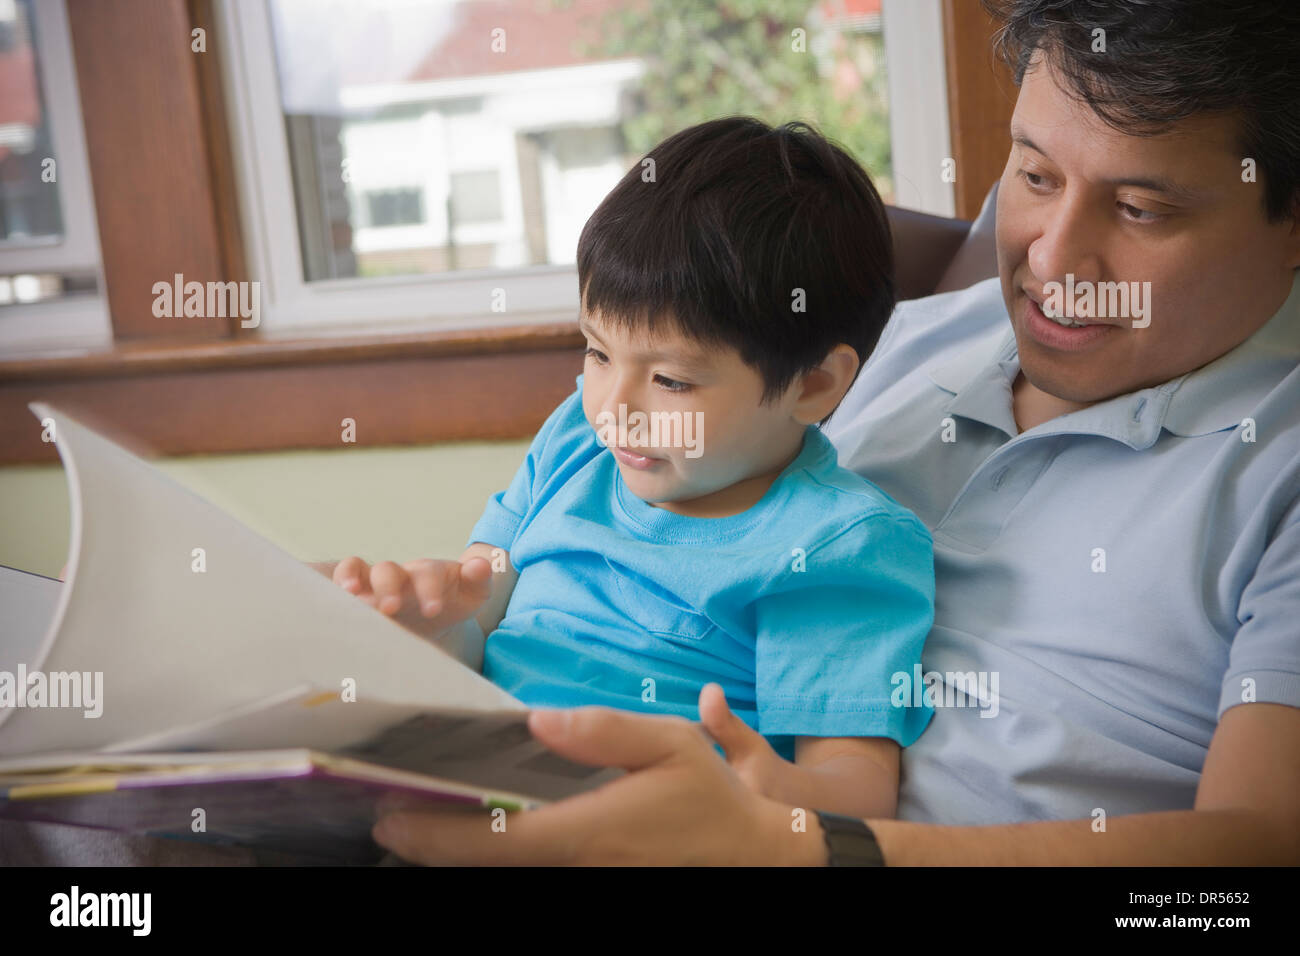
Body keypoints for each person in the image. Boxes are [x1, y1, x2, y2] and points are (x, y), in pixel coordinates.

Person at [367, 0, 1300, 865]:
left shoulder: (1278, 470)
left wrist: (808, 847)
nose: (1051, 259)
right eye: (1033, 174)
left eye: (1141, 209)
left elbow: (1250, 867)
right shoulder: (904, 331)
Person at [327, 118, 937, 821]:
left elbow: (855, 792)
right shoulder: (574, 441)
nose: (613, 408)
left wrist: (774, 792)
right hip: (477, 788)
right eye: (596, 353)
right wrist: (431, 622)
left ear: (814, 386)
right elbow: (483, 615)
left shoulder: (835, 546)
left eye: (672, 380)